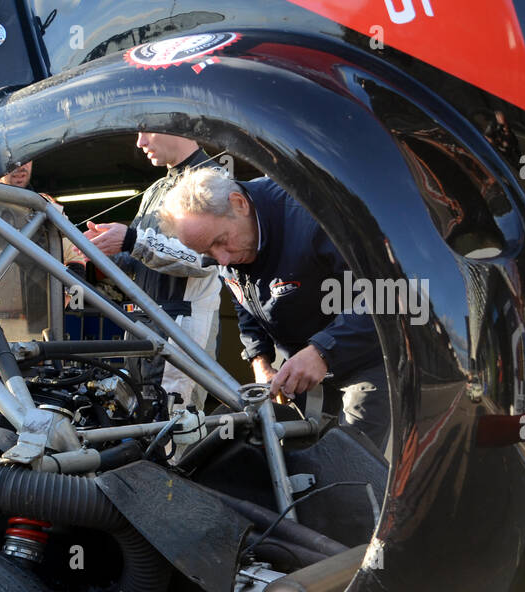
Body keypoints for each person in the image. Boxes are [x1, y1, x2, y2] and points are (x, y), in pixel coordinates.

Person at [156, 166, 390, 451]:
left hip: (366, 356)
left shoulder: (314, 213)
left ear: (239, 204)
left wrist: (323, 351)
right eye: (208, 253)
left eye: (220, 242)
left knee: (354, 463)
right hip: (301, 367)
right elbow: (245, 301)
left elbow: (390, 294)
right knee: (299, 462)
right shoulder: (229, 249)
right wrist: (260, 360)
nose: (223, 259)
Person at [81, 132, 222, 411]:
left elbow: (203, 259)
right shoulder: (156, 189)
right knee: (137, 418)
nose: (139, 142)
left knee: (174, 427)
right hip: (141, 323)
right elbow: (139, 260)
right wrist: (98, 249)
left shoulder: (214, 180)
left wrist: (131, 240)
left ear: (174, 125)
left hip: (182, 326)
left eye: (147, 130)